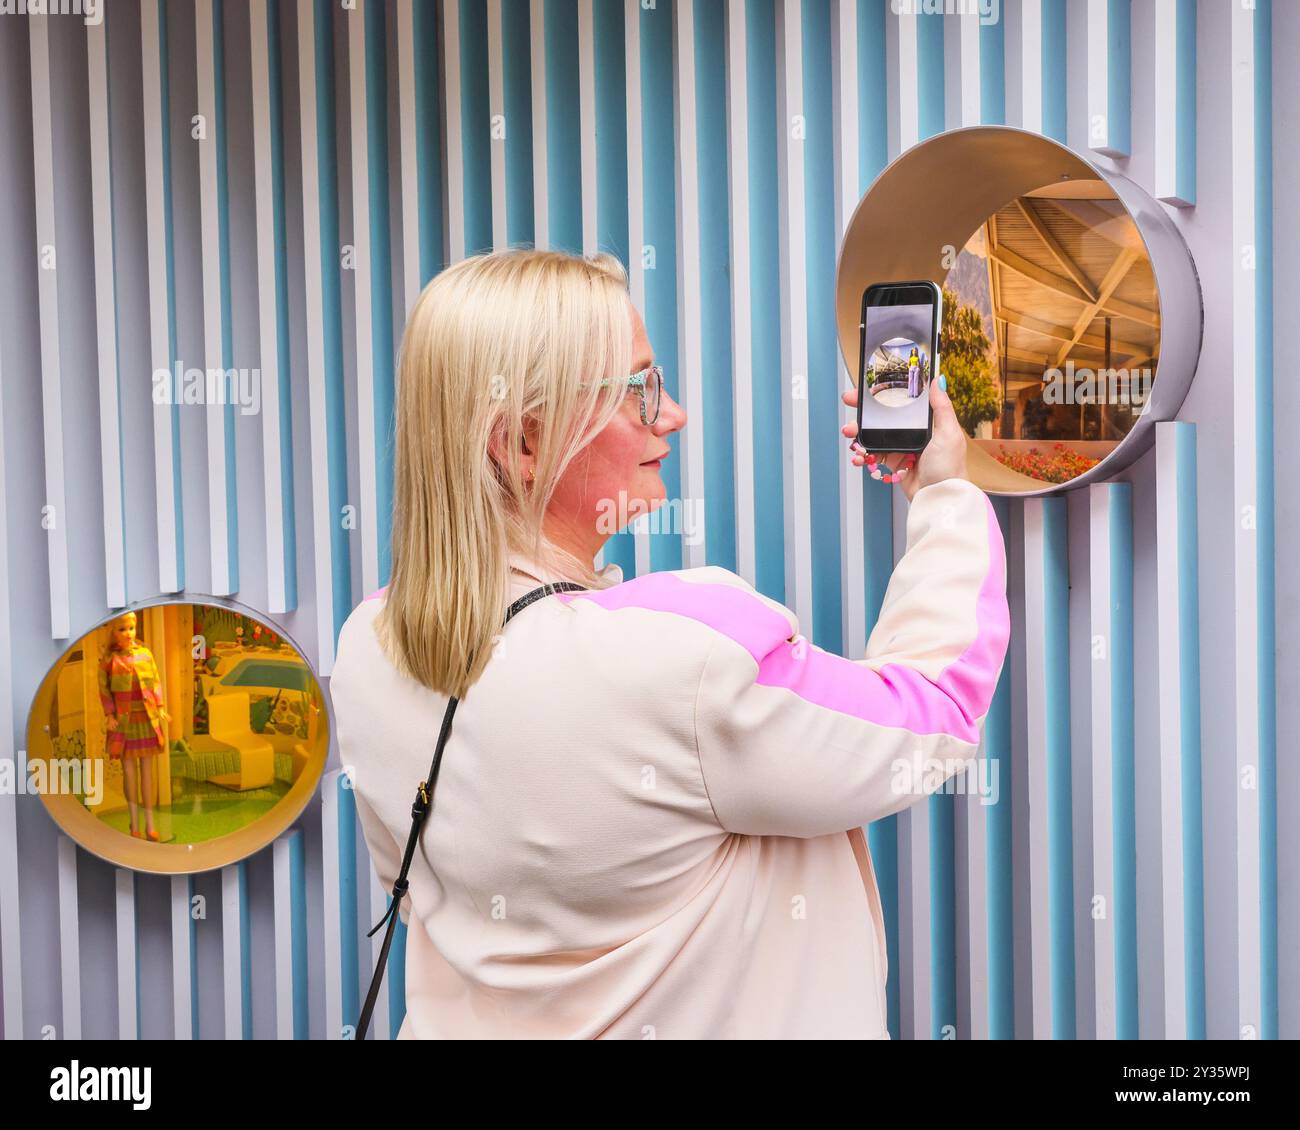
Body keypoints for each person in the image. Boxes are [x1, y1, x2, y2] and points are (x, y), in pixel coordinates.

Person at [330, 248, 1009, 1039]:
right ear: (521, 441)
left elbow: (421, 895)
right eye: (639, 390)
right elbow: (931, 715)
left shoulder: (369, 647)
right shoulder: (683, 653)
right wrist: (947, 494)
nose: (673, 414)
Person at [98, 611, 170, 840]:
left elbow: (155, 682)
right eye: (122, 629)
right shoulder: (109, 660)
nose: (128, 633)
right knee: (129, 774)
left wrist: (160, 707)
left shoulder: (145, 655)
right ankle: (134, 823)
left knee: (147, 773)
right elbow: (104, 690)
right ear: (113, 632)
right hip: (124, 722)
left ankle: (150, 824)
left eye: (131, 628)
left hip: (147, 719)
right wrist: (109, 714)